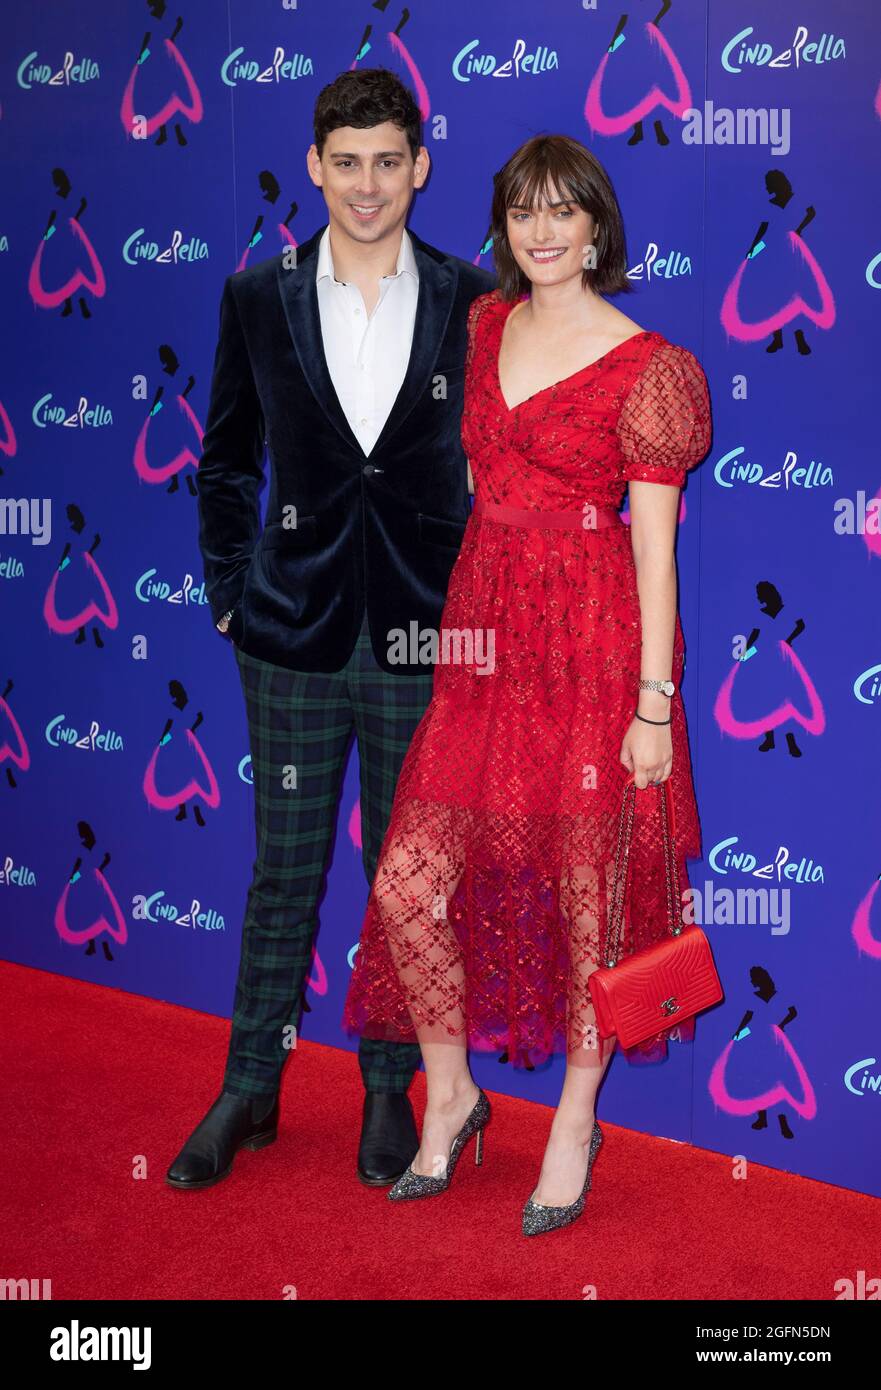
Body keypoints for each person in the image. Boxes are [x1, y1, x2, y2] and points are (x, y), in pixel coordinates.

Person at [342, 133, 712, 1235]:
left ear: (596, 226)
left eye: (562, 212)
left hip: (594, 650)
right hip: (481, 641)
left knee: (585, 903)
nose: (540, 231)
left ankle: (572, 1118)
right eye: (520, 211)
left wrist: (655, 704)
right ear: (502, 224)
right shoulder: (484, 324)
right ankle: (451, 1090)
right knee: (409, 880)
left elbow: (656, 553)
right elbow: (470, 480)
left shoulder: (651, 367)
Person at [166, 68, 495, 1191]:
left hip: (422, 639)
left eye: (387, 162)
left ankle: (385, 1089)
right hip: (292, 635)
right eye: (344, 162)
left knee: (407, 879)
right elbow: (222, 462)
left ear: (420, 167)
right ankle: (248, 1087)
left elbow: (501, 470)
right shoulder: (256, 296)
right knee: (282, 875)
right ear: (314, 167)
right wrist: (227, 590)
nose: (366, 185)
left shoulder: (473, 296)